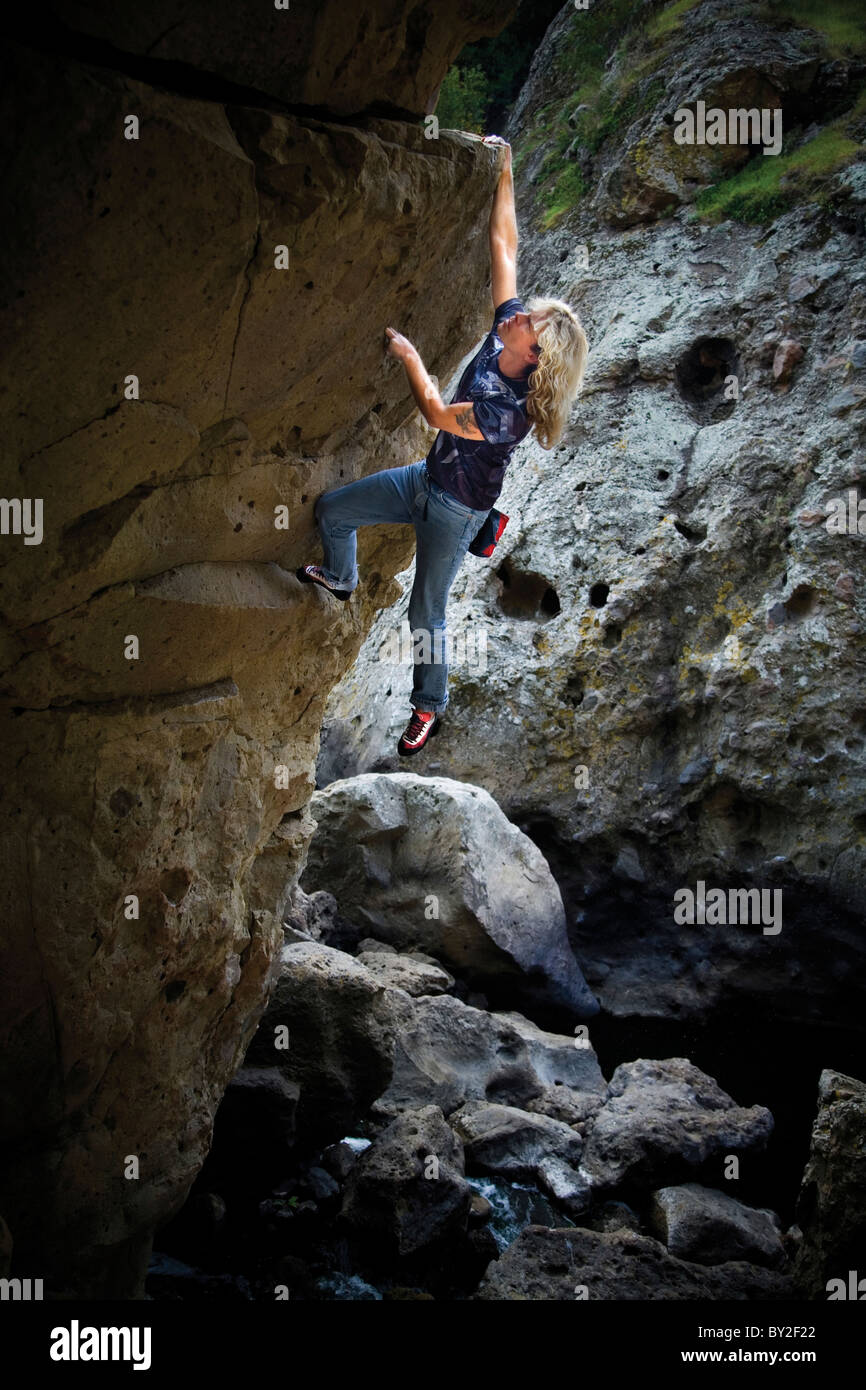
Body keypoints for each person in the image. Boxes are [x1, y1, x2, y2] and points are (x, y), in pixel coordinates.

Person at [297, 135, 589, 756]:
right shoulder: (502, 335)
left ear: (534, 355)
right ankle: (342, 577)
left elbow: (433, 410)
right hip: (425, 482)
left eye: (526, 322)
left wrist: (408, 355)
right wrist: (505, 169)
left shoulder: (509, 414)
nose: (515, 314)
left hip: (455, 512)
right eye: (522, 314)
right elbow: (504, 244)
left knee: (423, 615)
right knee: (334, 510)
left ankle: (428, 708)